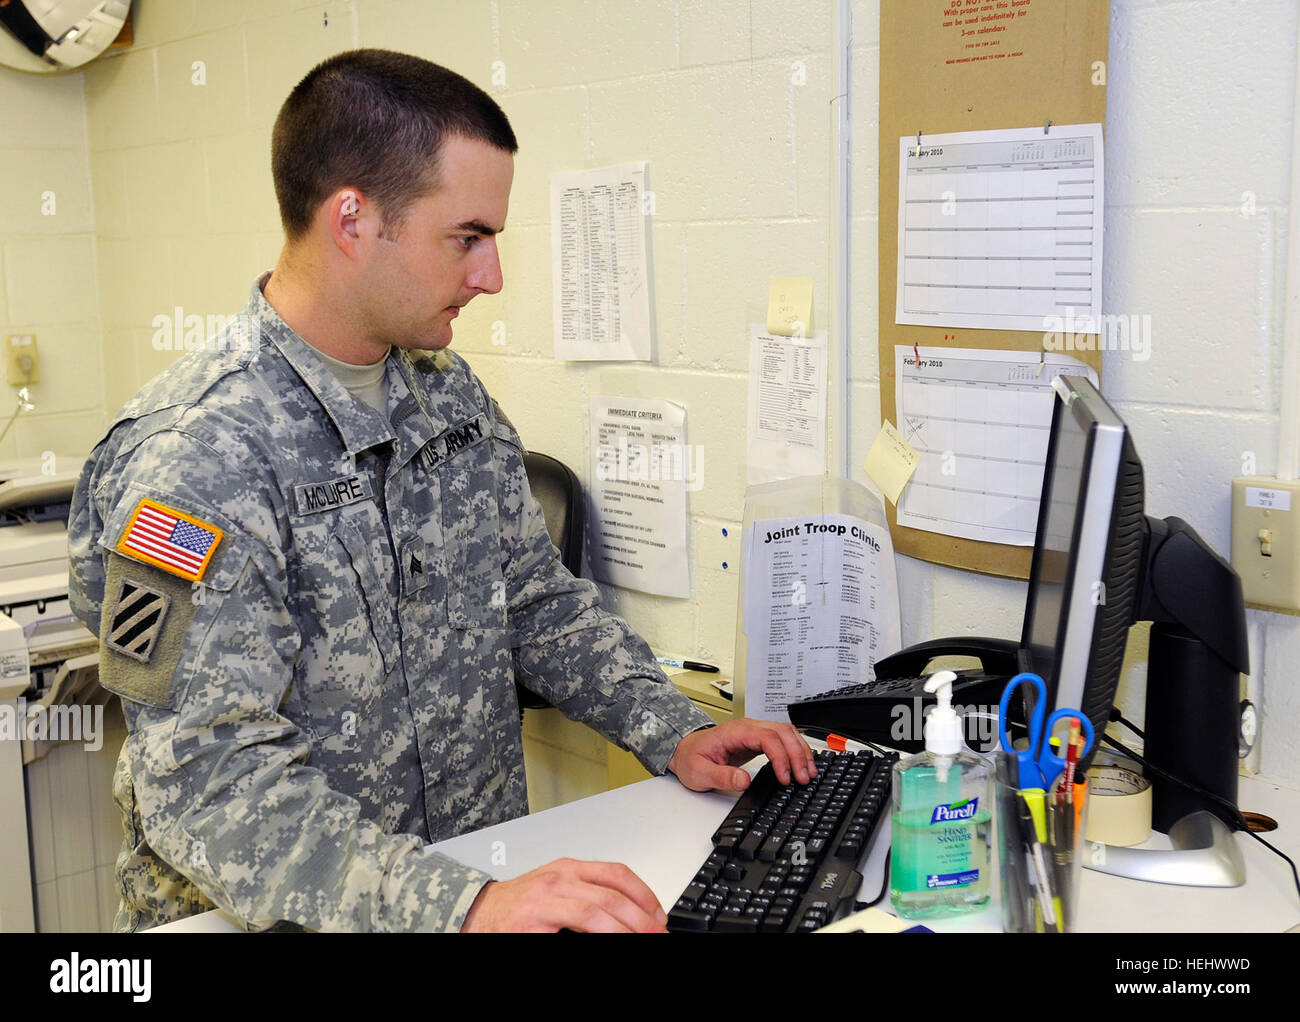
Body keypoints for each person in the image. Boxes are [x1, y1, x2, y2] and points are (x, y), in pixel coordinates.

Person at [67, 49, 815, 933]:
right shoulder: (194, 459)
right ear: (352, 219)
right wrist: (455, 904)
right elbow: (206, 781)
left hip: (468, 891)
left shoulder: (442, 393)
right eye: (468, 236)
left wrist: (670, 727)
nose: (491, 275)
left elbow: (534, 604)